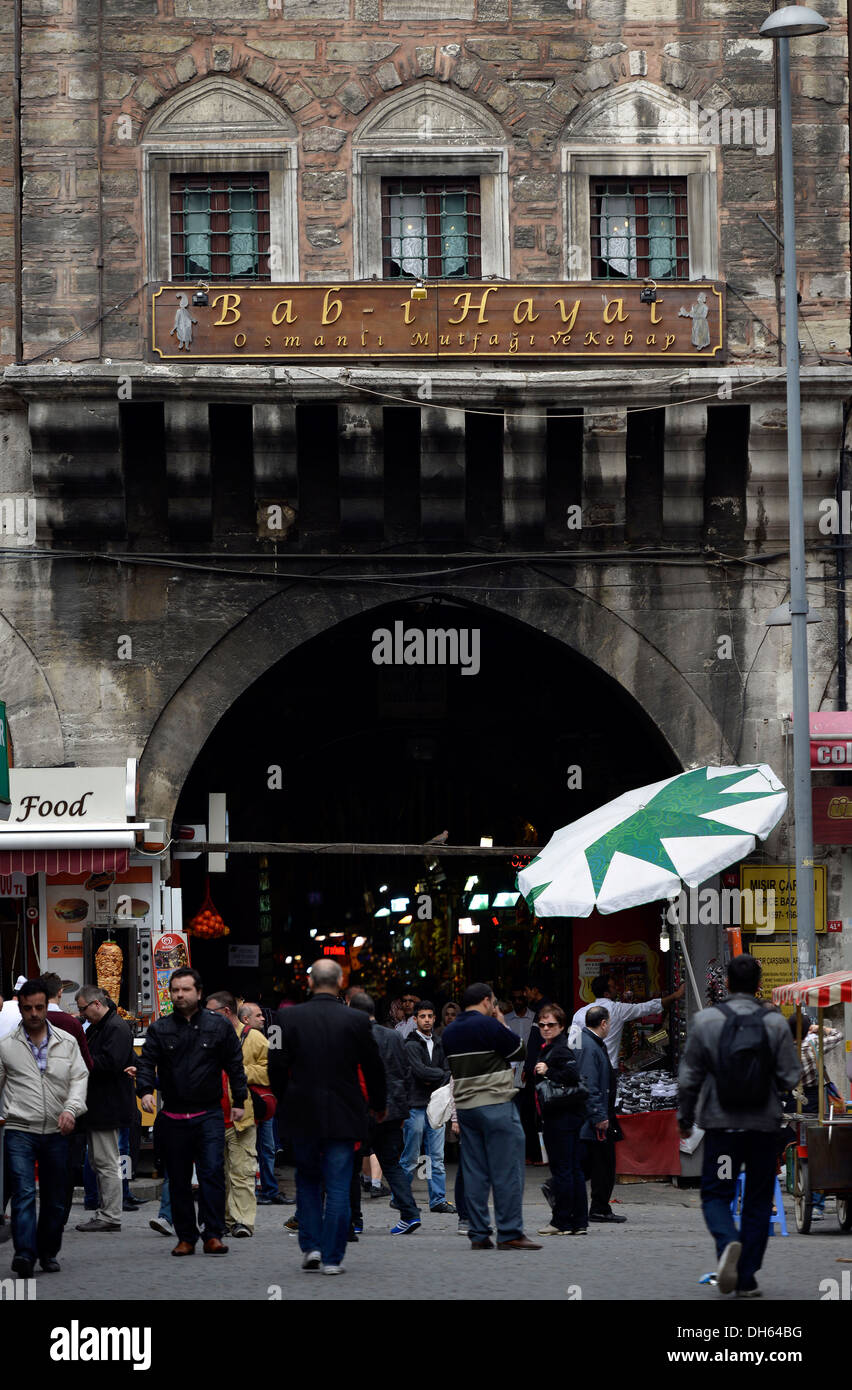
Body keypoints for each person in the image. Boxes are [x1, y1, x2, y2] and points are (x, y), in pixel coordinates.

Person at [677, 953, 800, 1298]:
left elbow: (689, 1077)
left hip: (722, 1128)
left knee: (717, 1193)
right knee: (759, 1200)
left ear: (727, 983)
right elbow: (790, 1076)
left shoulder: (706, 1020)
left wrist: (684, 1118)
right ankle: (746, 1279)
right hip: (762, 1129)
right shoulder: (775, 1023)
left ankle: (729, 1241)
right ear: (759, 984)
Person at [268, 958, 386, 1276]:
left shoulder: (284, 1017)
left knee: (306, 1180)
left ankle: (311, 1247)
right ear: (341, 982)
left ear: (310, 982)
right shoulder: (358, 1020)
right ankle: (333, 1257)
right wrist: (378, 1103)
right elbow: (373, 1067)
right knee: (337, 1184)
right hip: (344, 1111)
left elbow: (275, 1065)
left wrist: (285, 1097)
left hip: (301, 1109)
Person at [136, 966, 248, 1257]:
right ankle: (186, 1236)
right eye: (175, 990)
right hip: (173, 1115)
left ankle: (213, 1234)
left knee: (212, 1173)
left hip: (208, 1114)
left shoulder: (218, 1025)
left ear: (198, 993)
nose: (180, 995)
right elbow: (147, 1062)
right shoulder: (160, 1028)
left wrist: (239, 1101)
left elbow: (235, 1064)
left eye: (186, 989)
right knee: (178, 1178)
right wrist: (145, 1090)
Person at [442, 982, 540, 1251]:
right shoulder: (490, 1025)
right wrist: (501, 1022)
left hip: (466, 1107)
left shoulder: (449, 1032)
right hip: (496, 1103)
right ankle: (509, 1232)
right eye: (494, 1003)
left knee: (474, 1170)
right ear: (487, 1001)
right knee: (507, 1168)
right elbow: (520, 1051)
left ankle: (478, 1232)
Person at [0, 978, 88, 1276]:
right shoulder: (6, 1046)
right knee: (24, 1193)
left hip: (57, 1130)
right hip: (19, 1129)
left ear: (46, 1006)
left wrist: (71, 1109)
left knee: (54, 1198)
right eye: (28, 1008)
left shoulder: (67, 1041)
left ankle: (48, 1251)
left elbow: (79, 1078)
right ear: (21, 1008)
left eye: (39, 1007)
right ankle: (24, 1254)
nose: (34, 1013)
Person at [348, 990, 422, 1235]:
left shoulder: (352, 1036)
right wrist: (403, 1109)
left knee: (352, 1164)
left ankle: (355, 1220)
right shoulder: (393, 1036)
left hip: (362, 1110)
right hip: (392, 1111)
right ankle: (410, 1214)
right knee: (391, 1163)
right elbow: (404, 1073)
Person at [74, 985, 135, 1234]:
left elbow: (110, 1063)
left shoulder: (116, 1027)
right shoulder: (104, 1026)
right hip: (102, 1105)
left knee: (106, 1161)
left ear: (96, 1004)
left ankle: (110, 1215)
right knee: (99, 1159)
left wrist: (79, 1062)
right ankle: (106, 1212)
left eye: (83, 1008)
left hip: (107, 1105)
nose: (81, 1014)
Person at [206, 990, 259, 1238]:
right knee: (220, 1174)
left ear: (226, 1012)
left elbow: (271, 1070)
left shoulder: (253, 1038)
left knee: (242, 1172)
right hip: (215, 1117)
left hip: (242, 1117)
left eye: (211, 1012)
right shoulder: (210, 1037)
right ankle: (226, 1220)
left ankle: (243, 1222)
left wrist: (241, 1071)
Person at [533, 1004, 589, 1236]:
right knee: (572, 1169)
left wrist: (547, 1071)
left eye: (551, 1025)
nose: (546, 1028)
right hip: (566, 1117)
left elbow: (571, 1076)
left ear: (561, 1026)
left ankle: (562, 1221)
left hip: (562, 1117)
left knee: (563, 1170)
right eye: (542, 1024)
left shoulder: (559, 1049)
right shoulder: (553, 1047)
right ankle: (578, 1222)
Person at [402, 1001, 455, 1214]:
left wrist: (436, 1076)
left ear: (434, 1018)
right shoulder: (410, 1044)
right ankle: (402, 1198)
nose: (426, 1020)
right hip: (415, 1104)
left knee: (435, 1157)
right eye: (422, 1016)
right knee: (411, 1156)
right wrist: (440, 1076)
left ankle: (437, 1199)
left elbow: (447, 1070)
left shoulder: (440, 1043)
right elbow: (420, 1072)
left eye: (430, 1016)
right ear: (415, 1019)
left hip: (436, 1105)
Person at [238, 1000, 293, 1205]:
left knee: (267, 1147)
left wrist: (245, 1073)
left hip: (263, 1100)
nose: (263, 1019)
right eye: (258, 1016)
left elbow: (271, 1070)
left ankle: (269, 1189)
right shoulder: (236, 1037)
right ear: (246, 1019)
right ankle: (249, 1190)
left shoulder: (262, 1038)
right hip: (245, 1100)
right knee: (245, 1147)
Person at [572, 973, 685, 1068]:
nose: (617, 988)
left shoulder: (579, 1013)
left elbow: (573, 1044)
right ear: (606, 993)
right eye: (613, 986)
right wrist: (675, 996)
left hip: (585, 1068)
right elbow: (646, 1007)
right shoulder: (617, 1009)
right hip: (608, 1068)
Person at [577, 1004, 624, 1224]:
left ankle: (599, 1207)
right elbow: (589, 1083)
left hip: (598, 1113)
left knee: (595, 1163)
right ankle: (599, 1208)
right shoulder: (590, 1045)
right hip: (597, 1116)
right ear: (604, 1023)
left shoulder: (592, 1043)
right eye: (609, 1023)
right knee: (602, 1164)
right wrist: (599, 1115)